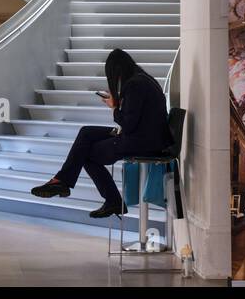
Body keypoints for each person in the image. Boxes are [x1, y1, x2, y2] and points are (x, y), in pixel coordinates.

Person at [30, 48, 172, 218]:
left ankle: (111, 200)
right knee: (86, 133)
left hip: (142, 142)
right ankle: (62, 181)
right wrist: (119, 104)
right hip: (147, 137)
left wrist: (114, 107)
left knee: (88, 155)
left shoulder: (134, 85)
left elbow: (128, 124)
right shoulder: (144, 79)